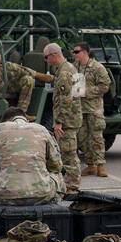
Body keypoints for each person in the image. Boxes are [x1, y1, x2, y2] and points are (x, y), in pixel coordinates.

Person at [0, 107, 65, 242]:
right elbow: (56, 166)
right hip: (42, 193)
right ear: (26, 119)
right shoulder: (42, 130)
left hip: (6, 194)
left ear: (6, 121)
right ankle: (50, 221)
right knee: (59, 176)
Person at [46, 42, 82, 196]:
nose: (46, 60)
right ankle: (70, 184)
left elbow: (65, 99)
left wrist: (59, 121)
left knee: (68, 153)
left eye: (46, 57)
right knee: (69, 151)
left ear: (54, 55)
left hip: (67, 120)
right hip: (73, 117)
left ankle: (72, 186)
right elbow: (80, 91)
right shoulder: (72, 68)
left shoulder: (64, 72)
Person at [72, 41, 113, 178]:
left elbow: (105, 86)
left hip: (94, 109)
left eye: (76, 52)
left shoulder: (97, 67)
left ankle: (100, 166)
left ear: (85, 52)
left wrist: (86, 91)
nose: (74, 54)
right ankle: (90, 166)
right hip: (80, 109)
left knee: (96, 138)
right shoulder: (75, 67)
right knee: (83, 138)